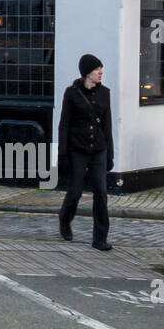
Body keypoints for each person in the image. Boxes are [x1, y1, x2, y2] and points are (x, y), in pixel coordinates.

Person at [57, 53, 114, 250]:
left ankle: (100, 238)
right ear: (87, 72)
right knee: (75, 191)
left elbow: (107, 126)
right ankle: (65, 220)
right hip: (77, 149)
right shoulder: (71, 93)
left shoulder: (105, 93)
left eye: (100, 69)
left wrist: (110, 154)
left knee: (101, 191)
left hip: (98, 149)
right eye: (97, 69)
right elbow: (63, 124)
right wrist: (62, 154)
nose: (101, 72)